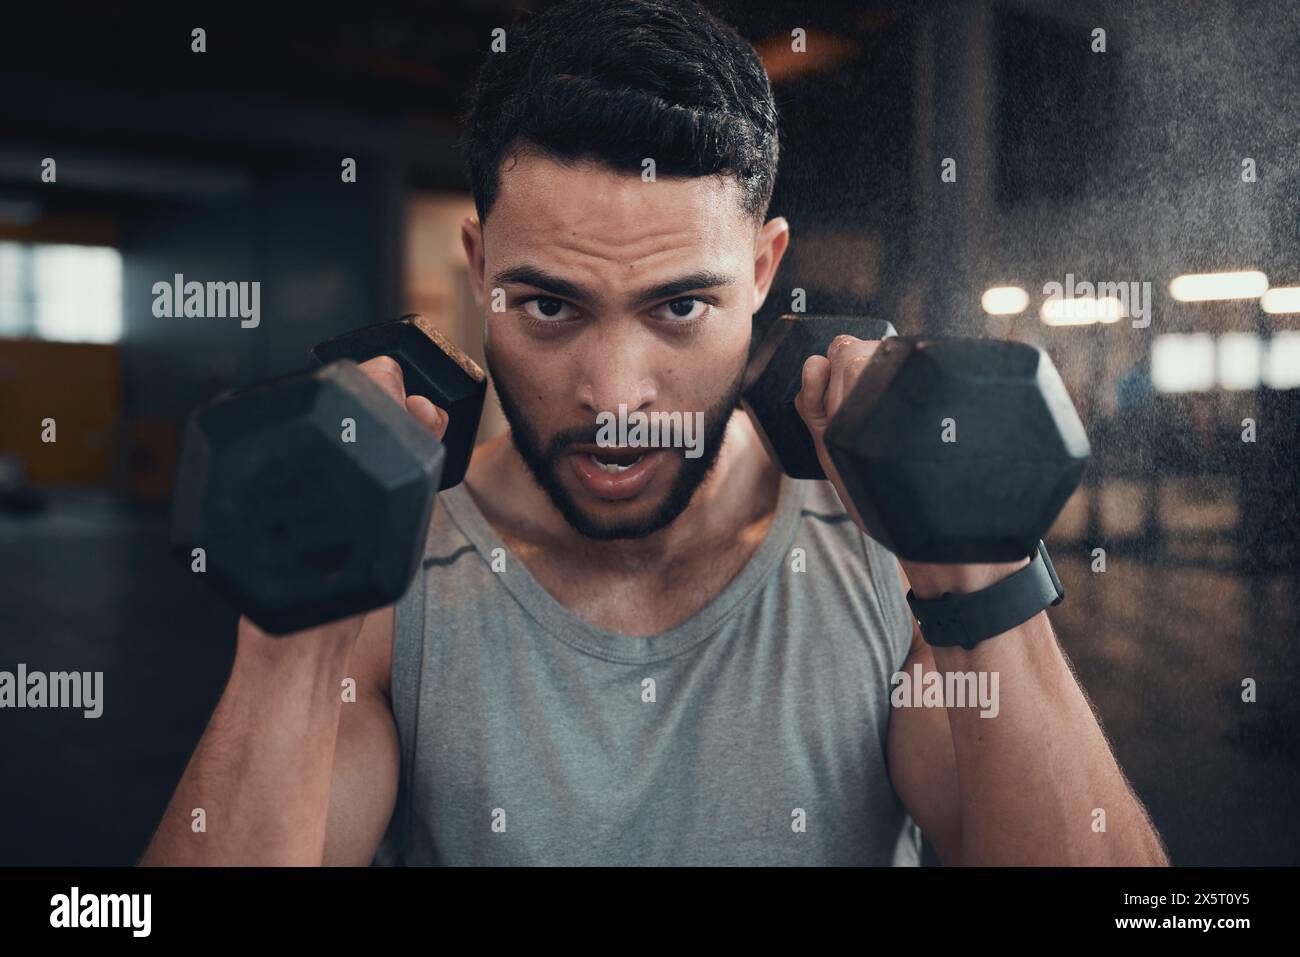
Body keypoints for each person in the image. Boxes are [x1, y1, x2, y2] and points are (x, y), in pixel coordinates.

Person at [141, 0, 1167, 866]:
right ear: (478, 263)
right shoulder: (393, 588)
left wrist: (982, 583)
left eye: (679, 308)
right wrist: (287, 637)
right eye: (548, 307)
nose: (616, 394)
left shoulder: (878, 568)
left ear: (763, 273)